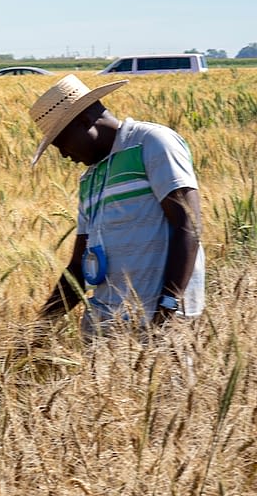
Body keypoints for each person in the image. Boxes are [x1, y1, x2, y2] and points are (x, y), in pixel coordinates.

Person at [32, 74, 203, 339]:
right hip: (105, 324)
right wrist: (35, 332)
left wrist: (167, 308)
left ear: (84, 121)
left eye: (61, 143)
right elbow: (78, 266)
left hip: (158, 321)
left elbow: (187, 225)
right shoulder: (89, 180)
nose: (64, 154)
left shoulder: (151, 143)